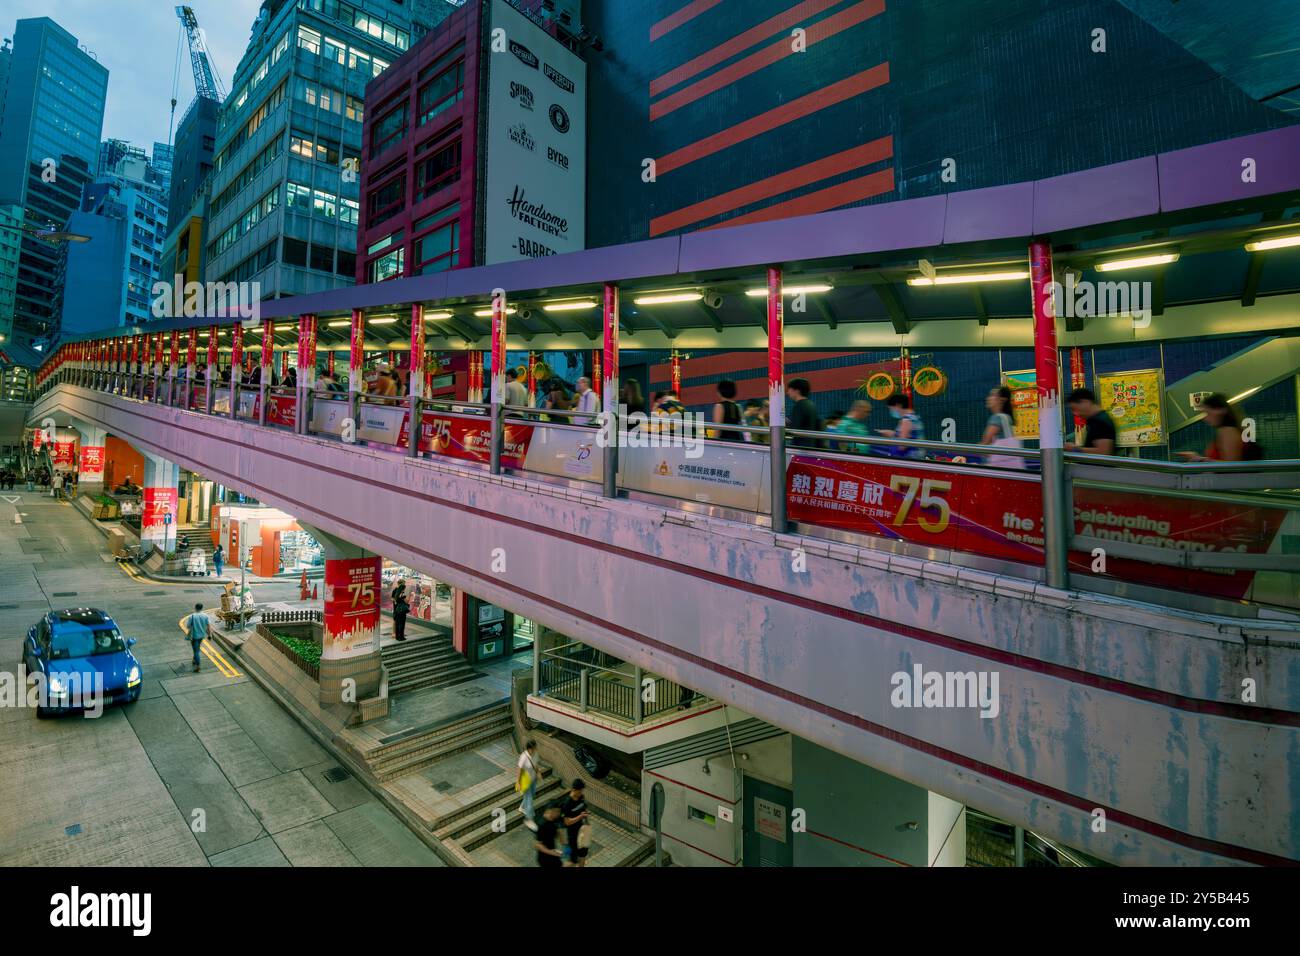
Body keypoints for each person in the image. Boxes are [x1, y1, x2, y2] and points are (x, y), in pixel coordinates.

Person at [1176, 393, 1252, 462]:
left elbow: (1232, 467)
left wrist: (1199, 459)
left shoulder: (1228, 432)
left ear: (1220, 410)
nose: (1205, 418)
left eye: (1208, 413)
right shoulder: (1228, 431)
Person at [981, 386, 1024, 469]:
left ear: (1001, 400)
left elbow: (984, 445)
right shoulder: (1007, 418)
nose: (988, 398)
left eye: (992, 395)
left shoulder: (997, 418)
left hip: (999, 468)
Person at [1064, 388, 1116, 455]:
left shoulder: (1100, 421)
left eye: (1074, 409)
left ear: (1085, 402)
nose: (1075, 413)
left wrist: (1074, 449)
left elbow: (1104, 452)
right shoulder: (1095, 420)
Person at [879, 393, 926, 459]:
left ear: (898, 405)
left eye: (891, 409)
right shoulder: (915, 417)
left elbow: (902, 445)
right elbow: (909, 436)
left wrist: (892, 436)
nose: (891, 411)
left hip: (910, 459)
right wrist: (893, 434)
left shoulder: (906, 420)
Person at [561, 779, 590, 867]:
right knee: (572, 861)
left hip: (583, 831)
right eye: (580, 790)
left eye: (582, 790)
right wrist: (580, 817)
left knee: (583, 855)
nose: (581, 792)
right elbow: (567, 822)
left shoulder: (581, 797)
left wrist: (585, 815)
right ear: (574, 790)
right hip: (572, 835)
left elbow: (583, 808)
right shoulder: (567, 804)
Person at [785, 378, 823, 448]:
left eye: (789, 390)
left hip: (801, 448)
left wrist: (784, 425)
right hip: (812, 447)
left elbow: (795, 429)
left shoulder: (799, 406)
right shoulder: (811, 405)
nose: (788, 393)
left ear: (796, 390)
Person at [517, 739, 540, 831]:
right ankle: (529, 819)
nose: (535, 749)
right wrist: (518, 782)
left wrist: (538, 772)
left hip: (533, 779)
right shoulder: (524, 757)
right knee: (529, 799)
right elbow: (519, 769)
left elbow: (536, 764)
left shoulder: (536, 754)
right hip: (525, 782)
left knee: (531, 795)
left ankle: (522, 807)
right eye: (534, 748)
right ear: (530, 749)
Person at [535, 804, 564, 868]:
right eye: (556, 811)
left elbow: (555, 836)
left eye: (559, 811)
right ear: (550, 811)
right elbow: (537, 845)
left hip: (553, 853)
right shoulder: (542, 825)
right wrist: (551, 852)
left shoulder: (554, 820)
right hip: (545, 859)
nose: (558, 813)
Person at [184, 602, 209, 673]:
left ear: (195, 608)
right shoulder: (205, 616)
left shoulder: (192, 616)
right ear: (202, 608)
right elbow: (208, 626)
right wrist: (210, 635)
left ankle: (198, 666)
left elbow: (188, 626)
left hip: (194, 636)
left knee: (196, 651)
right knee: (197, 648)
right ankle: (194, 659)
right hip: (202, 635)